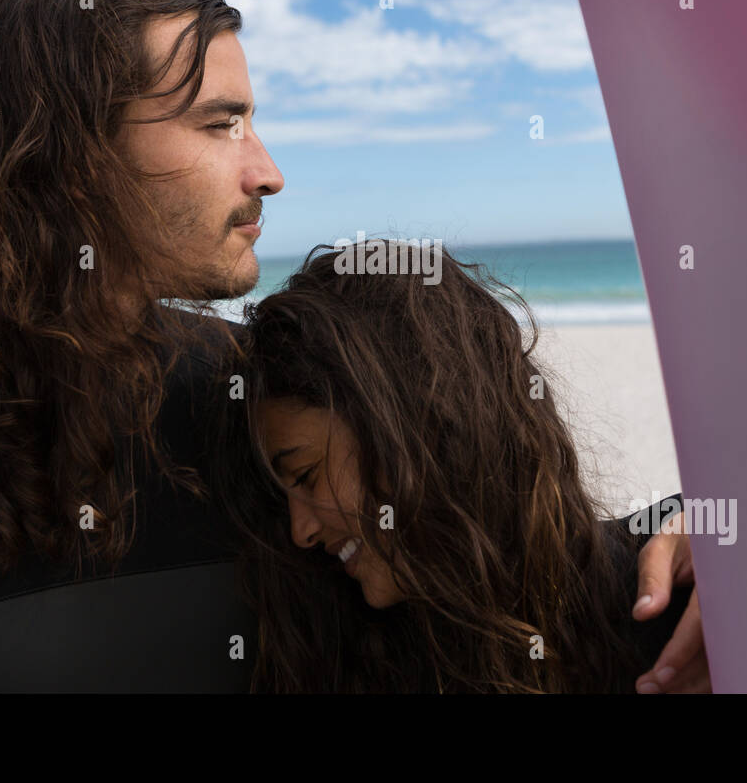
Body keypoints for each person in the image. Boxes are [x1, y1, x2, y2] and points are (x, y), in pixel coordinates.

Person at [0, 0, 700, 692]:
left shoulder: (267, 407)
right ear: (67, 160)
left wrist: (695, 536)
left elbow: (513, 548)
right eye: (219, 123)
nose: (269, 170)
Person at [218, 240, 709, 692]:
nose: (300, 530)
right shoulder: (357, 656)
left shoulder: (678, 591)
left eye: (306, 475)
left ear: (420, 427)